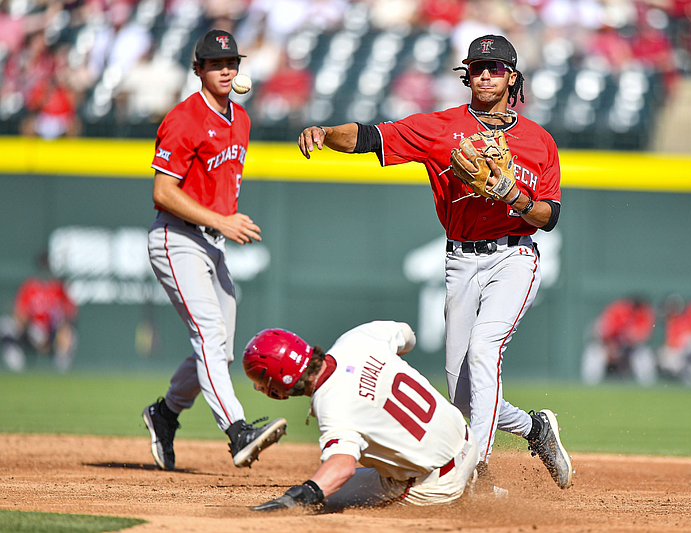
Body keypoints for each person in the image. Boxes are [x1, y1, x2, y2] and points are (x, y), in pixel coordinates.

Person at [298, 34, 572, 489]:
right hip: (460, 259)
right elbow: (370, 137)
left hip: (514, 255)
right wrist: (326, 135)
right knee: (462, 392)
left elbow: (548, 216)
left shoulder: (538, 141)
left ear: (512, 77)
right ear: (467, 74)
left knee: (486, 351)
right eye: (477, 68)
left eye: (495, 68)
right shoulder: (441, 128)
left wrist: (510, 193)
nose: (485, 76)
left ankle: (476, 469)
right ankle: (535, 428)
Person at [142, 29, 286, 472]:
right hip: (177, 237)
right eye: (215, 63)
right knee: (208, 333)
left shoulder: (239, 119)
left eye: (231, 63)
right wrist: (221, 219)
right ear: (198, 69)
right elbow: (164, 191)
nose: (225, 69)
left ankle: (165, 414)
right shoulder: (184, 118)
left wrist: (220, 224)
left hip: (211, 242)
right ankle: (237, 430)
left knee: (219, 347)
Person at [242, 320, 480, 511]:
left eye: (259, 379)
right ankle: (483, 488)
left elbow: (342, 466)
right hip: (467, 442)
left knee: (326, 499)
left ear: (278, 382)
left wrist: (300, 496)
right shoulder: (357, 339)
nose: (258, 387)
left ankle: (461, 497)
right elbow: (407, 334)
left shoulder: (332, 404)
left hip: (435, 484)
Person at [1, 252, 78, 373]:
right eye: (43, 265)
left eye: (47, 265)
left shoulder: (59, 286)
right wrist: (25, 326)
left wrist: (64, 327)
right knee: (6, 325)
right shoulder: (30, 285)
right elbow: (20, 312)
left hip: (53, 331)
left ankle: (61, 369)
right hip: (33, 330)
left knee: (69, 332)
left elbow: (70, 311)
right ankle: (16, 365)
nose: (45, 270)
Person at [581, 296, 657, 386]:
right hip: (607, 345)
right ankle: (590, 387)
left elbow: (641, 337)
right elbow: (600, 334)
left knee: (643, 354)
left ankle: (648, 387)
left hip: (629, 349)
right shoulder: (618, 311)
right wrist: (610, 348)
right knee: (594, 353)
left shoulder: (644, 315)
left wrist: (625, 345)